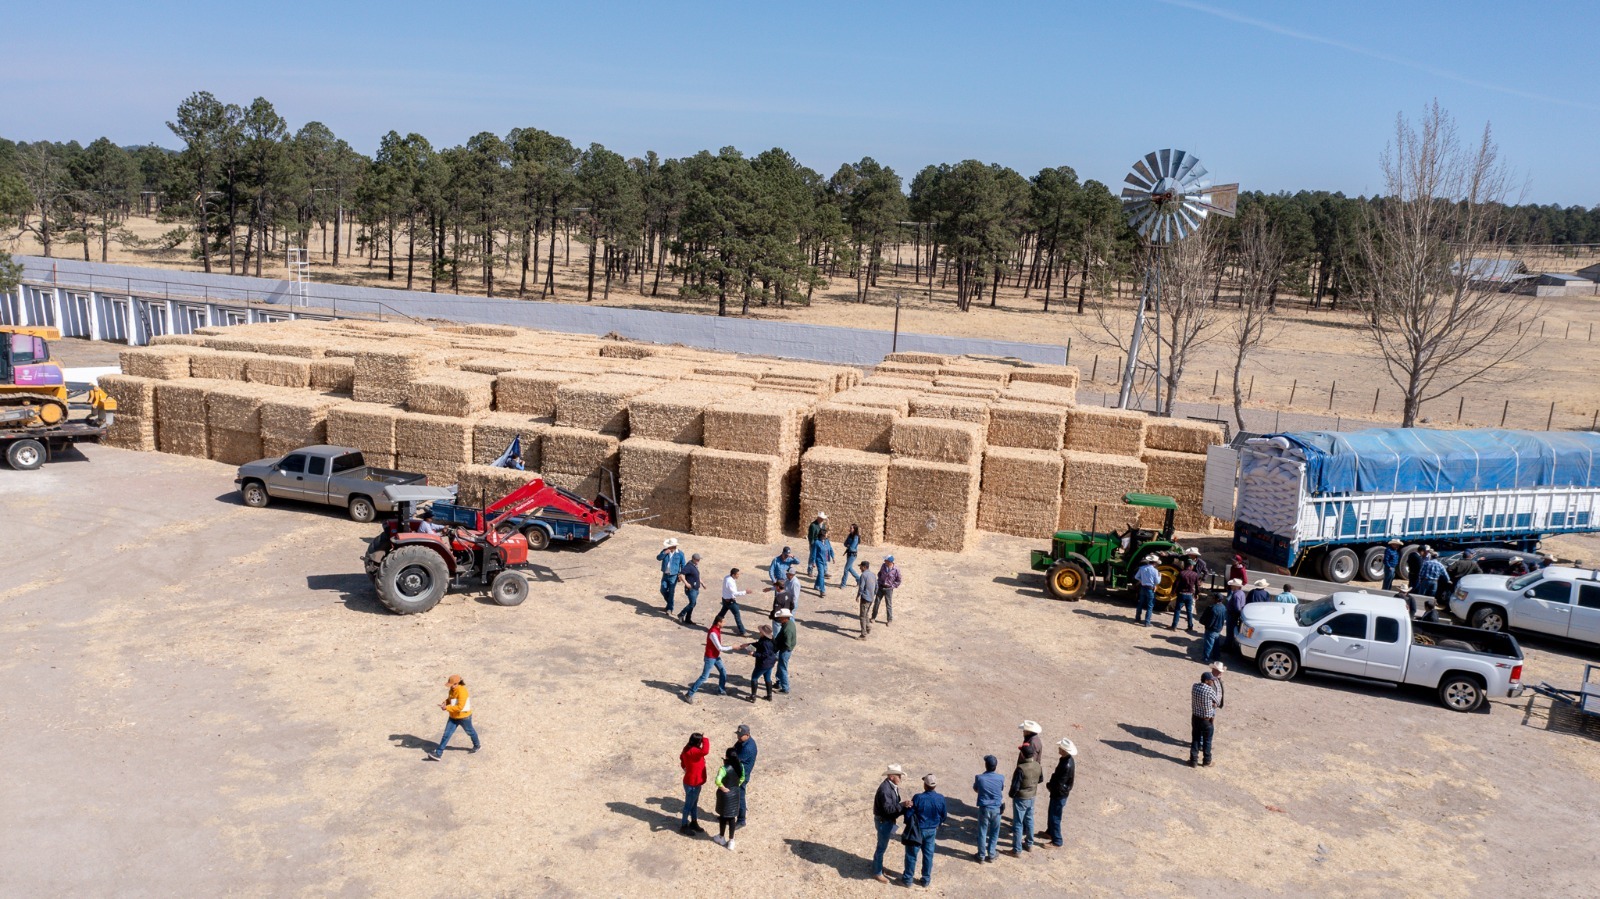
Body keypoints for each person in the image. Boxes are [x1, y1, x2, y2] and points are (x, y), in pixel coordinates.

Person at [901, 774, 947, 888]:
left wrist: (908, 823)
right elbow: (944, 815)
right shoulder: (941, 798)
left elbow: (909, 814)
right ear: (935, 786)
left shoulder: (918, 797)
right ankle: (926, 880)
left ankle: (908, 880)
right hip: (932, 830)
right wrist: (938, 824)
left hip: (918, 830)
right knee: (928, 855)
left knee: (911, 855)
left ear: (925, 785)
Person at [428, 674, 480, 760]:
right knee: (446, 735)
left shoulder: (462, 691)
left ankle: (477, 745)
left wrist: (447, 708)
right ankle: (438, 753)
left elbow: (460, 707)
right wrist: (445, 702)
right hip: (453, 716)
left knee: (470, 732)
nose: (450, 687)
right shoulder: (452, 690)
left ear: (456, 683)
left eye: (451, 685)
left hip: (464, 717)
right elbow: (450, 699)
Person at [872, 764, 910, 882]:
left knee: (882, 846)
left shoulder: (891, 786)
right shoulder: (885, 790)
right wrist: (902, 805)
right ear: (892, 776)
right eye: (899, 775)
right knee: (881, 847)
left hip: (886, 820)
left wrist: (902, 806)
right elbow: (889, 809)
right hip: (884, 821)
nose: (900, 778)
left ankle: (877, 866)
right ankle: (877, 872)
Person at [684, 614, 730, 703]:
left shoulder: (716, 629)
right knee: (704, 677)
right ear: (719, 623)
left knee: (723, 671)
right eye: (723, 622)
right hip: (710, 657)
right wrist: (732, 647)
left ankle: (721, 690)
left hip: (715, 656)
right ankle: (689, 694)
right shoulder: (713, 633)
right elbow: (720, 647)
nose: (725, 623)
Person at [1006, 744, 1042, 855]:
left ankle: (1017, 850)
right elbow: (1040, 779)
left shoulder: (1021, 768)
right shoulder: (1037, 765)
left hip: (1021, 798)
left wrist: (1011, 795)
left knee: (1018, 823)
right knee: (1029, 819)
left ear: (1022, 754)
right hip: (1032, 796)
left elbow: (1015, 786)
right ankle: (1029, 844)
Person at [1044, 739, 1077, 848]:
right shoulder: (1066, 760)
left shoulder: (1065, 764)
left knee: (1055, 816)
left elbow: (1059, 783)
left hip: (1059, 794)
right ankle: (1050, 832)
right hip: (1058, 792)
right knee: (1052, 813)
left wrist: (1050, 786)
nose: (1058, 749)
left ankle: (1057, 840)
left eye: (1060, 748)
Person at [972, 755, 1004, 863]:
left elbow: (976, 789)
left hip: (984, 808)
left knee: (982, 832)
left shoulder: (979, 778)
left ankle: (981, 855)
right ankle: (991, 854)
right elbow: (1001, 789)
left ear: (986, 765)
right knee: (994, 832)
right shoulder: (1001, 778)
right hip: (996, 809)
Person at [712, 747, 745, 850]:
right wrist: (736, 785)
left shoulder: (724, 769)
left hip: (725, 795)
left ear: (726, 757)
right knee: (732, 817)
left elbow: (717, 781)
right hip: (735, 793)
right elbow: (742, 778)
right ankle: (731, 840)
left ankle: (721, 837)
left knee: (723, 816)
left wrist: (723, 788)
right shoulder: (741, 766)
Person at [1189, 671, 1221, 768]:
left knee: (1195, 739)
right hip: (1206, 720)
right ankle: (1206, 761)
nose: (1213, 682)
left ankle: (1193, 761)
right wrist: (1213, 704)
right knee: (1207, 741)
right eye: (1211, 680)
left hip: (1195, 717)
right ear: (1206, 681)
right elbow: (1218, 702)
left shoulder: (1194, 686)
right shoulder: (1210, 690)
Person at [679, 733, 709, 834]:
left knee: (694, 804)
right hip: (693, 784)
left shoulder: (687, 748)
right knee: (689, 805)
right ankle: (684, 825)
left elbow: (681, 758)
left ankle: (694, 822)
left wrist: (684, 767)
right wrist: (705, 739)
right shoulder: (695, 751)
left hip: (691, 782)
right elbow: (705, 751)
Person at [743, 624, 778, 702]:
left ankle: (753, 696)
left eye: (761, 631)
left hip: (763, 664)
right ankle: (769, 696)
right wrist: (748, 645)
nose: (759, 632)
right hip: (770, 663)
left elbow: (764, 654)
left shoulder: (765, 643)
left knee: (754, 678)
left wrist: (754, 654)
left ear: (763, 633)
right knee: (767, 678)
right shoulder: (768, 639)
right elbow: (758, 644)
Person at [734, 724, 757, 825]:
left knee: (740, 797)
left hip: (742, 776)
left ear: (747, 735)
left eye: (740, 735)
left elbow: (736, 760)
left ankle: (741, 820)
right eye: (738, 735)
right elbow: (734, 749)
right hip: (737, 772)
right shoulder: (742, 742)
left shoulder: (748, 748)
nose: (738, 737)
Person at [656, 538, 686, 615]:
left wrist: (681, 575)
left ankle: (670, 608)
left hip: (674, 576)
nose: (669, 548)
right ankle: (670, 604)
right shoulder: (665, 551)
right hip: (665, 574)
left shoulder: (680, 554)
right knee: (663, 590)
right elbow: (658, 558)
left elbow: (683, 565)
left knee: (671, 592)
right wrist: (664, 553)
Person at [720, 568, 750, 637]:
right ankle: (742, 631)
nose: (738, 575)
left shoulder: (727, 577)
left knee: (721, 614)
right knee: (737, 616)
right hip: (730, 602)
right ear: (733, 575)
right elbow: (735, 593)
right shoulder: (730, 582)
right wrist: (745, 592)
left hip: (725, 599)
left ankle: (714, 625)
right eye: (737, 574)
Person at [1172, 560, 1201, 632]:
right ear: (1191, 566)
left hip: (1181, 594)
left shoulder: (1181, 573)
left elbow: (1176, 584)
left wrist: (1173, 592)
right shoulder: (1195, 574)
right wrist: (1197, 594)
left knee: (1177, 610)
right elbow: (1197, 586)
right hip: (1190, 595)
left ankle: (1174, 626)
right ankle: (1190, 627)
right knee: (1189, 611)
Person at [1133, 554, 1161, 626]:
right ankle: (1147, 622)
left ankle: (1137, 618)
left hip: (1143, 587)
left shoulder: (1142, 568)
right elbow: (1157, 582)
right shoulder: (1155, 571)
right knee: (1150, 605)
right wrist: (1159, 576)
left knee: (1140, 603)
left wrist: (1142, 580)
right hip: (1150, 589)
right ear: (1155, 563)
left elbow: (1136, 577)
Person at [773, 608, 796, 694]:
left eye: (780, 617)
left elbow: (787, 644)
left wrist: (777, 648)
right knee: (780, 667)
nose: (779, 619)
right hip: (784, 649)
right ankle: (778, 683)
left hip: (785, 651)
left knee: (783, 668)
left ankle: (785, 688)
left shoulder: (787, 629)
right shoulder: (788, 623)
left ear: (785, 618)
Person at [1202, 591, 1229, 664]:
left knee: (1209, 644)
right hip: (1219, 628)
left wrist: (1207, 626)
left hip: (1212, 629)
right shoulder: (1223, 607)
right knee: (1216, 643)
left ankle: (1206, 658)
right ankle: (1216, 656)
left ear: (1216, 599)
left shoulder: (1213, 608)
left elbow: (1211, 621)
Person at [677, 553, 704, 625]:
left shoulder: (694, 566)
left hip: (695, 588)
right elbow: (681, 574)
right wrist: (686, 583)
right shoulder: (689, 566)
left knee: (693, 603)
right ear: (693, 559)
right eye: (697, 560)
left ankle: (688, 619)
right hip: (691, 589)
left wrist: (702, 583)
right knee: (692, 603)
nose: (699, 561)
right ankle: (681, 614)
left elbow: (697, 576)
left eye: (699, 560)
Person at [873, 556, 901, 625]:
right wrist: (879, 581)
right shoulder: (883, 566)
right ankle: (873, 617)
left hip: (889, 589)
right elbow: (879, 574)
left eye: (886, 560)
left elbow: (898, 580)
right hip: (881, 587)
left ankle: (889, 620)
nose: (884, 561)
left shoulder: (896, 569)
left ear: (890, 562)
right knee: (876, 603)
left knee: (888, 604)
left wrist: (892, 586)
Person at [856, 560, 878, 639]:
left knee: (862, 616)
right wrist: (873, 594)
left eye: (861, 567)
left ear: (864, 567)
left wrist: (858, 595)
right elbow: (876, 586)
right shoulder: (873, 574)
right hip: (871, 598)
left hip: (865, 598)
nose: (860, 568)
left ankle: (863, 634)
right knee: (866, 614)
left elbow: (861, 587)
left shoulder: (863, 575)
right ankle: (868, 627)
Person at [1225, 578, 1248, 649]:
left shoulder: (1236, 595)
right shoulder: (1241, 593)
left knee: (1230, 631)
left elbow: (1237, 608)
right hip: (1235, 615)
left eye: (1232, 585)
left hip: (1232, 615)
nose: (1231, 586)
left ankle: (1228, 647)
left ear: (1236, 586)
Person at [840, 524, 862, 588]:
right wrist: (848, 546)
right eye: (850, 528)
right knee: (849, 568)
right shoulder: (850, 535)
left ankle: (843, 584)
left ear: (855, 529)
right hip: (849, 554)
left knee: (846, 569)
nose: (850, 529)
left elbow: (852, 547)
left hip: (852, 555)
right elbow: (845, 543)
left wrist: (848, 545)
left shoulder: (856, 537)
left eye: (851, 528)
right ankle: (859, 579)